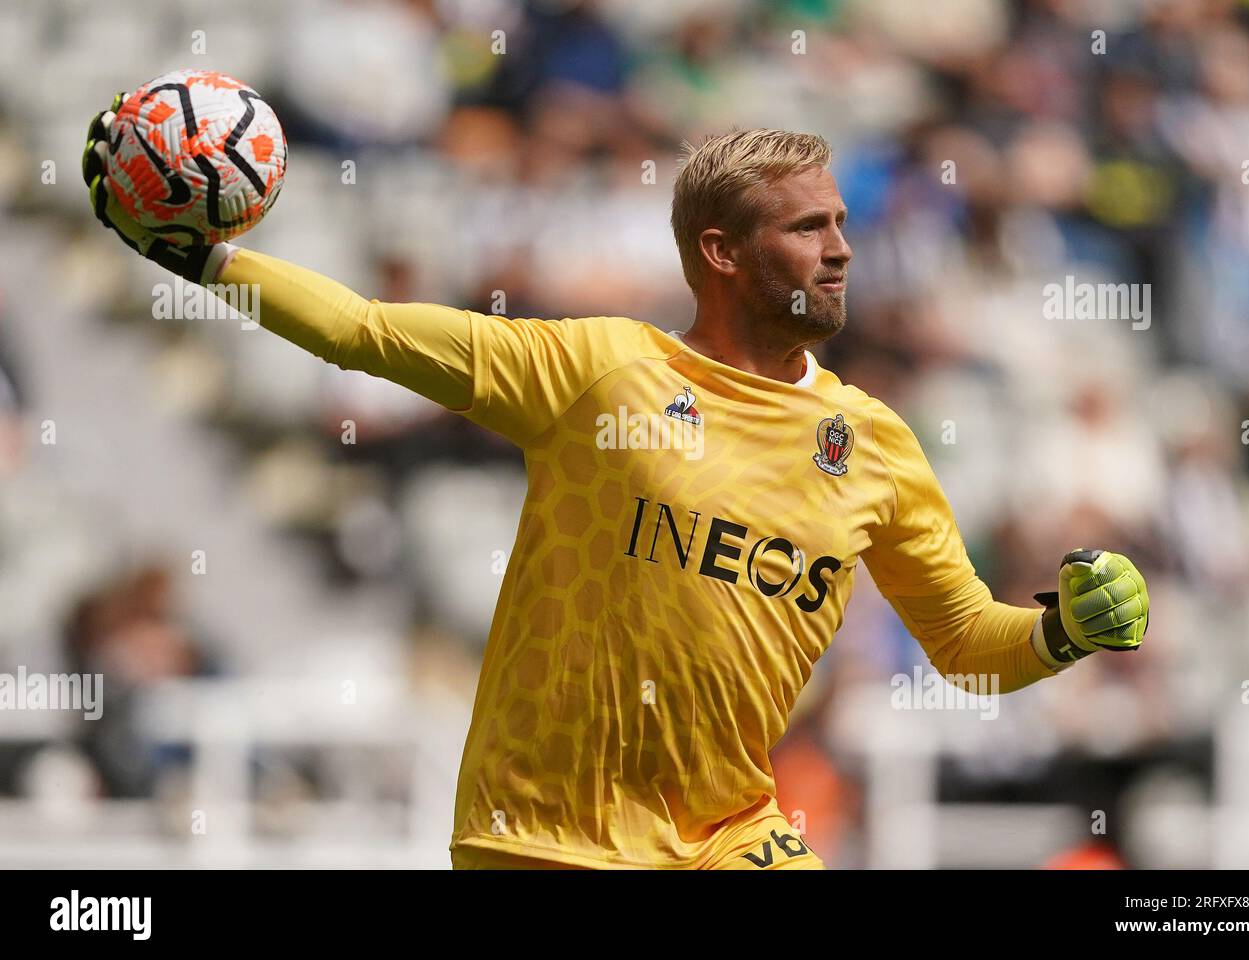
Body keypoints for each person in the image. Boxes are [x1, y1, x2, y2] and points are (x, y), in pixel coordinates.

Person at [82, 103, 1150, 869]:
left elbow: (964, 643)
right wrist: (214, 267)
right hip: (545, 837)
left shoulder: (872, 443)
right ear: (721, 254)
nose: (840, 251)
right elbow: (366, 335)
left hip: (730, 836)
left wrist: (1061, 632)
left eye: (839, 224)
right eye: (806, 229)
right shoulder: (595, 370)